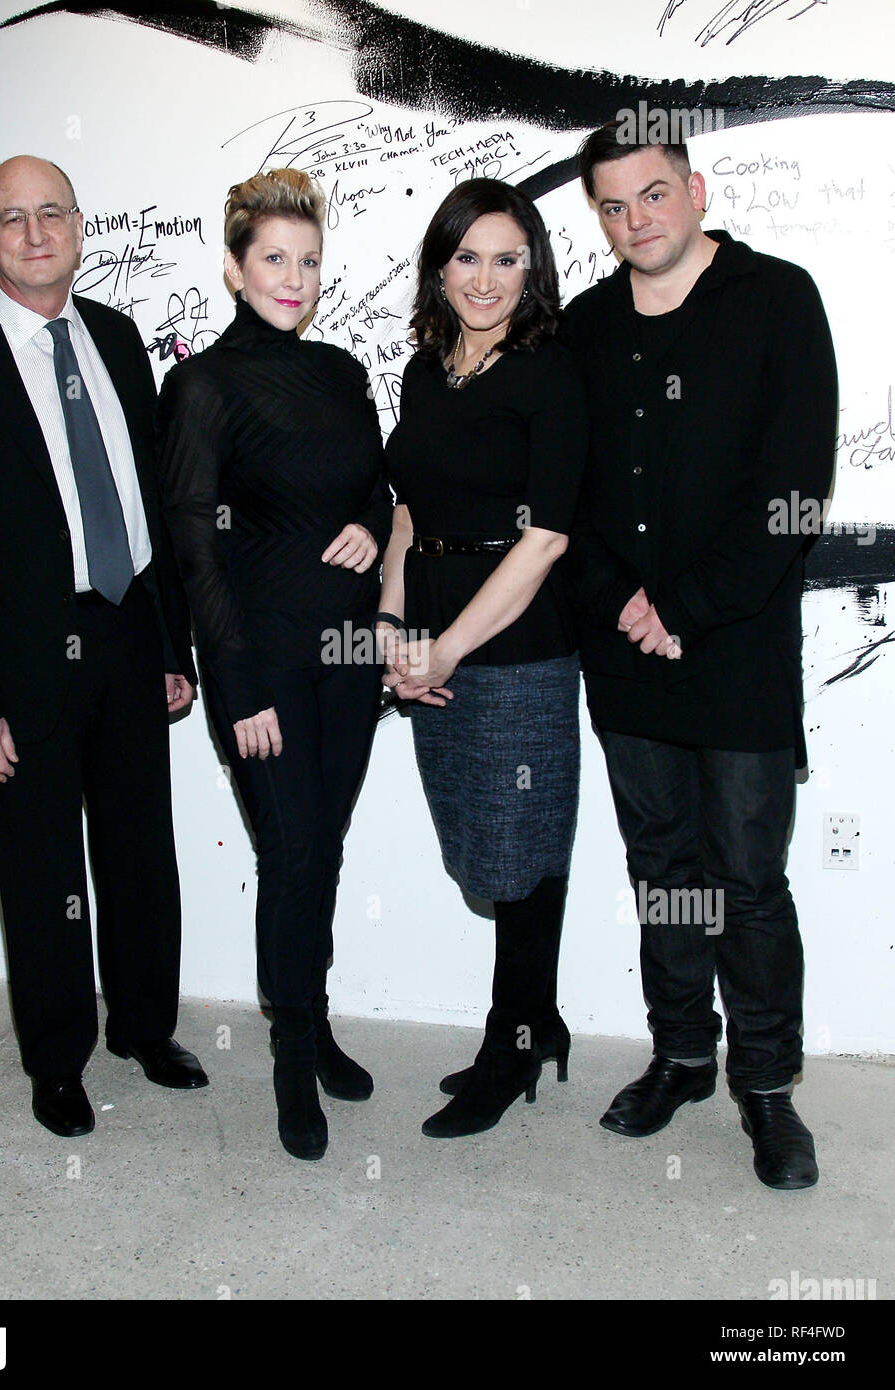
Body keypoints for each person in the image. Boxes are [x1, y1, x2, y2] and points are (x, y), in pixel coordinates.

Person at [0, 155, 207, 1139]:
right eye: (11, 218)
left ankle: (145, 1029)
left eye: (51, 214)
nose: (35, 233)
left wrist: (168, 645)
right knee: (42, 871)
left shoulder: (117, 341)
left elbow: (146, 510)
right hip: (18, 661)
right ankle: (58, 1059)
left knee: (139, 851)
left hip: (124, 632)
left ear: (79, 228)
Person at [564, 121, 838, 1189]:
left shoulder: (776, 299)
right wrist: (623, 603)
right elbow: (565, 495)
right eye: (614, 206)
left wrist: (680, 606)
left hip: (733, 647)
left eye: (653, 195)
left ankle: (765, 1092)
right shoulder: (583, 326)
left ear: (694, 188)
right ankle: (681, 1054)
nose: (636, 220)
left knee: (745, 880)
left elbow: (792, 491)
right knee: (661, 871)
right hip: (623, 654)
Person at [154, 169, 391, 1161]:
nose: (293, 278)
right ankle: (292, 1053)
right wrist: (236, 686)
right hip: (264, 672)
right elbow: (193, 546)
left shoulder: (340, 372)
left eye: (306, 261)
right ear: (234, 266)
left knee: (321, 851)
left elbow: (381, 491)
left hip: (344, 658)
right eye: (273, 260)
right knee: (290, 854)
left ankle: (314, 1012)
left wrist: (370, 531)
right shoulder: (202, 385)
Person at [379, 178, 587, 1139]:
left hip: (513, 649)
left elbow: (545, 539)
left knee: (520, 851)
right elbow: (406, 509)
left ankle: (514, 1038)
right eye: (469, 256)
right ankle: (537, 1019)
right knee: (480, 845)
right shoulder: (427, 372)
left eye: (509, 259)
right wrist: (389, 625)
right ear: (440, 264)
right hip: (429, 641)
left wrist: (449, 649)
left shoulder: (550, 373)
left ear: (533, 267)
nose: (488, 279)